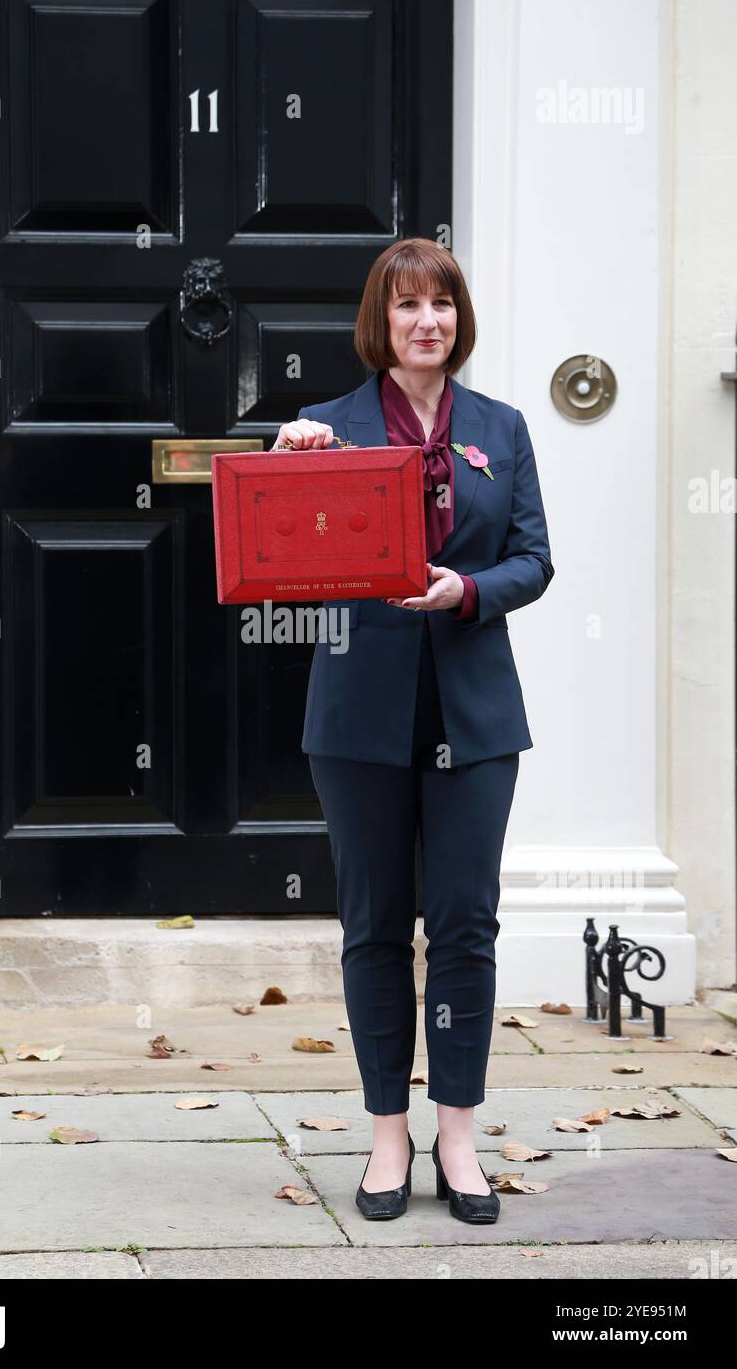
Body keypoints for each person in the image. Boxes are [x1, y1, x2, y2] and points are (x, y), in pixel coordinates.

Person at [270, 238, 554, 1223]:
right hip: (358, 714)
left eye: (441, 303)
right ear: (379, 321)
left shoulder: (501, 427)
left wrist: (463, 589)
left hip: (475, 713)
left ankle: (457, 1138)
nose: (426, 320)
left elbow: (533, 559)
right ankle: (387, 1134)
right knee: (376, 927)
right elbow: (283, 552)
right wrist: (285, 467)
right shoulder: (326, 428)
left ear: (457, 318)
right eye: (406, 305)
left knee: (466, 924)